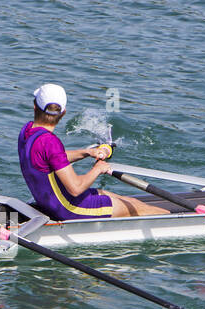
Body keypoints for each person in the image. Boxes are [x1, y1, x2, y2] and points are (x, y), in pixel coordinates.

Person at [18, 84, 169, 220]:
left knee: (131, 202)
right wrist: (97, 169)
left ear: (34, 106)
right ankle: (175, 221)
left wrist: (86, 152)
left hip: (53, 202)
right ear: (63, 113)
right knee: (140, 209)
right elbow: (76, 188)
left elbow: (51, 159)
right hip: (69, 208)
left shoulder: (27, 131)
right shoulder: (50, 142)